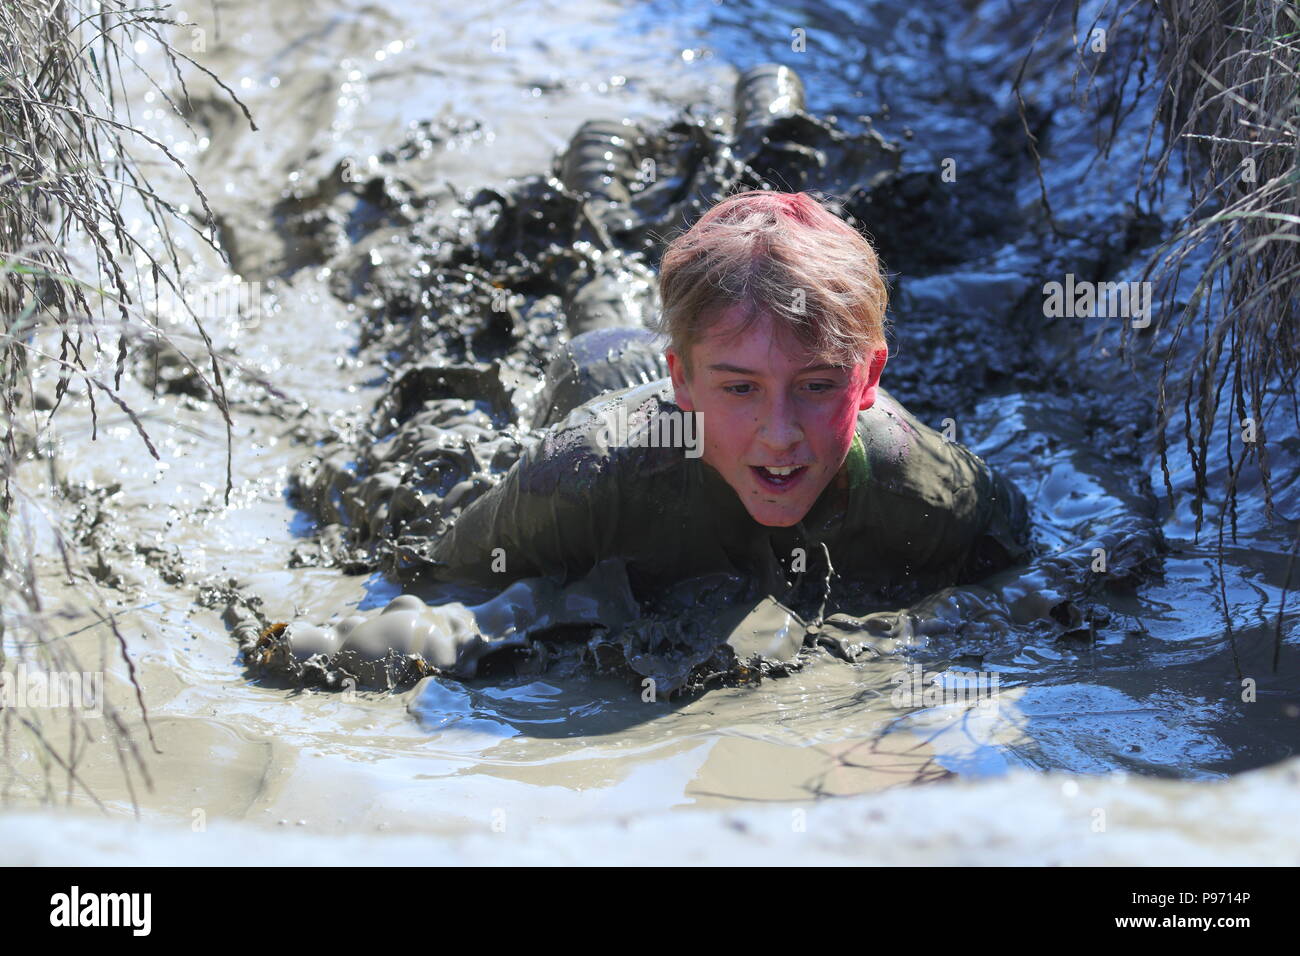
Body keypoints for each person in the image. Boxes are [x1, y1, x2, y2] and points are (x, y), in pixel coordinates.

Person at [428, 190, 1031, 609]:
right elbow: (440, 581)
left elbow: (1028, 577)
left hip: (701, 377)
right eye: (744, 389)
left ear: (870, 376)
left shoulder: (936, 492)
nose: (779, 434)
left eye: (818, 386)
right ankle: (590, 266)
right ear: (681, 380)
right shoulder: (579, 475)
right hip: (606, 377)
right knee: (599, 328)